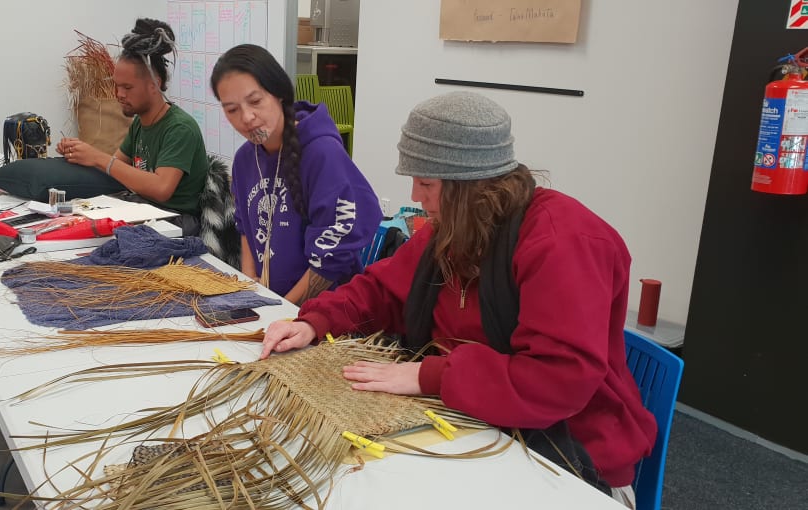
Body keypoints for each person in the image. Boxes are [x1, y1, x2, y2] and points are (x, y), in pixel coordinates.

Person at [259, 91, 656, 508]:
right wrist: (313, 322)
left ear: (471, 185)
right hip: (473, 421)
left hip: (566, 461)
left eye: (427, 183)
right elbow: (381, 290)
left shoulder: (563, 243)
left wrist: (427, 376)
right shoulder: (454, 229)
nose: (417, 194)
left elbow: (557, 380)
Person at [210, 44, 382, 304]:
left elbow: (332, 256)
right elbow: (245, 224)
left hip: (323, 314)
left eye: (255, 101)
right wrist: (250, 281)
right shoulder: (245, 159)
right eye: (232, 110)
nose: (247, 117)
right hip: (271, 305)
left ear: (279, 93)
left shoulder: (322, 153)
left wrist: (283, 311)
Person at [56, 18, 208, 236]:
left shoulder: (180, 128)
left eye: (127, 87)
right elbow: (117, 168)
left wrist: (99, 158)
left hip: (176, 221)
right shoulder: (140, 123)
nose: (119, 95)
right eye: (117, 86)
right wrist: (80, 153)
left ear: (154, 83)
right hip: (145, 209)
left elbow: (161, 189)